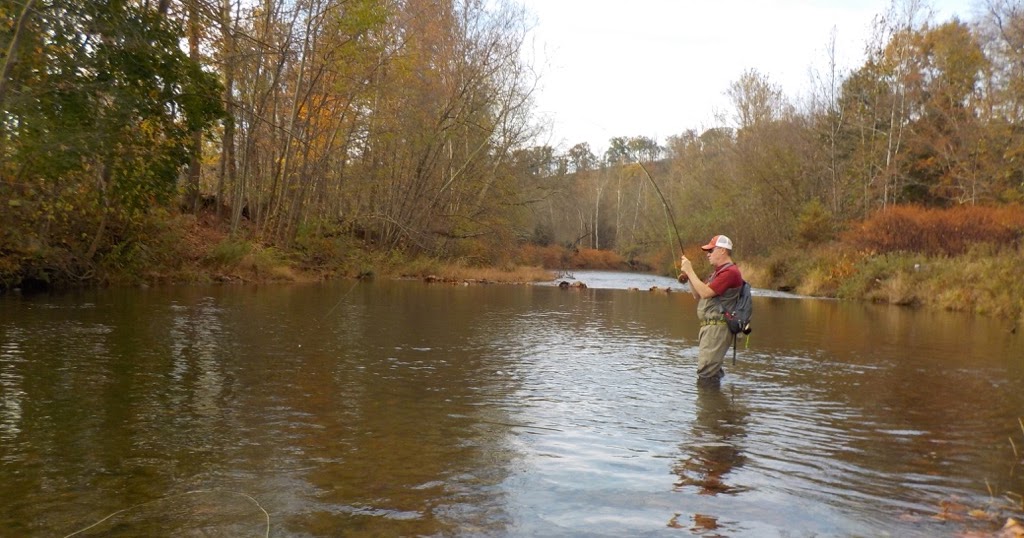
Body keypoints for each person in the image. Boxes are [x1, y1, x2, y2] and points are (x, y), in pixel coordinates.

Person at [678, 235, 744, 384]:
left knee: (706, 374)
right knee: (711, 372)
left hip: (717, 329)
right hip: (711, 329)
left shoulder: (730, 273)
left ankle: (709, 406)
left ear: (722, 250)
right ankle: (717, 405)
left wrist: (690, 271)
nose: (708, 254)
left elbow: (705, 293)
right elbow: (697, 294)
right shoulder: (716, 273)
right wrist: (689, 275)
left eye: (711, 250)